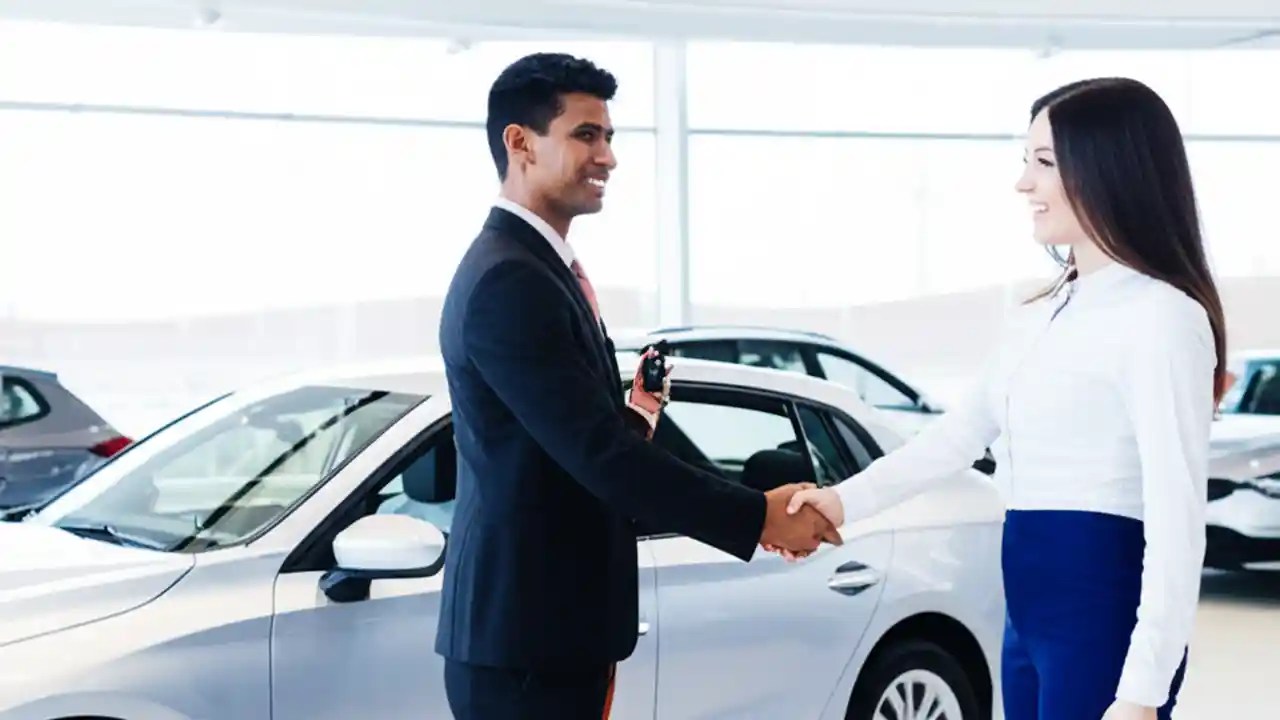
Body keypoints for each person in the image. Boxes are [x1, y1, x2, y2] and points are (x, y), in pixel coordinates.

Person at [782, 77, 1226, 720]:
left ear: (1106, 167)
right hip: (1028, 605)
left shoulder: (1161, 317)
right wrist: (842, 502)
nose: (1024, 184)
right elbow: (957, 437)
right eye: (1027, 161)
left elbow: (1178, 521)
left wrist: (1141, 692)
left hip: (1102, 609)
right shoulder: (1040, 312)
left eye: (1043, 162)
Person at [435, 52, 842, 720]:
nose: (608, 156)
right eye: (585, 134)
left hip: (554, 633)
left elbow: (563, 447)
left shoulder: (538, 268)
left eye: (610, 137)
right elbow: (597, 457)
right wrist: (757, 515)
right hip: (527, 645)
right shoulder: (511, 280)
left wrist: (640, 415)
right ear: (520, 143)